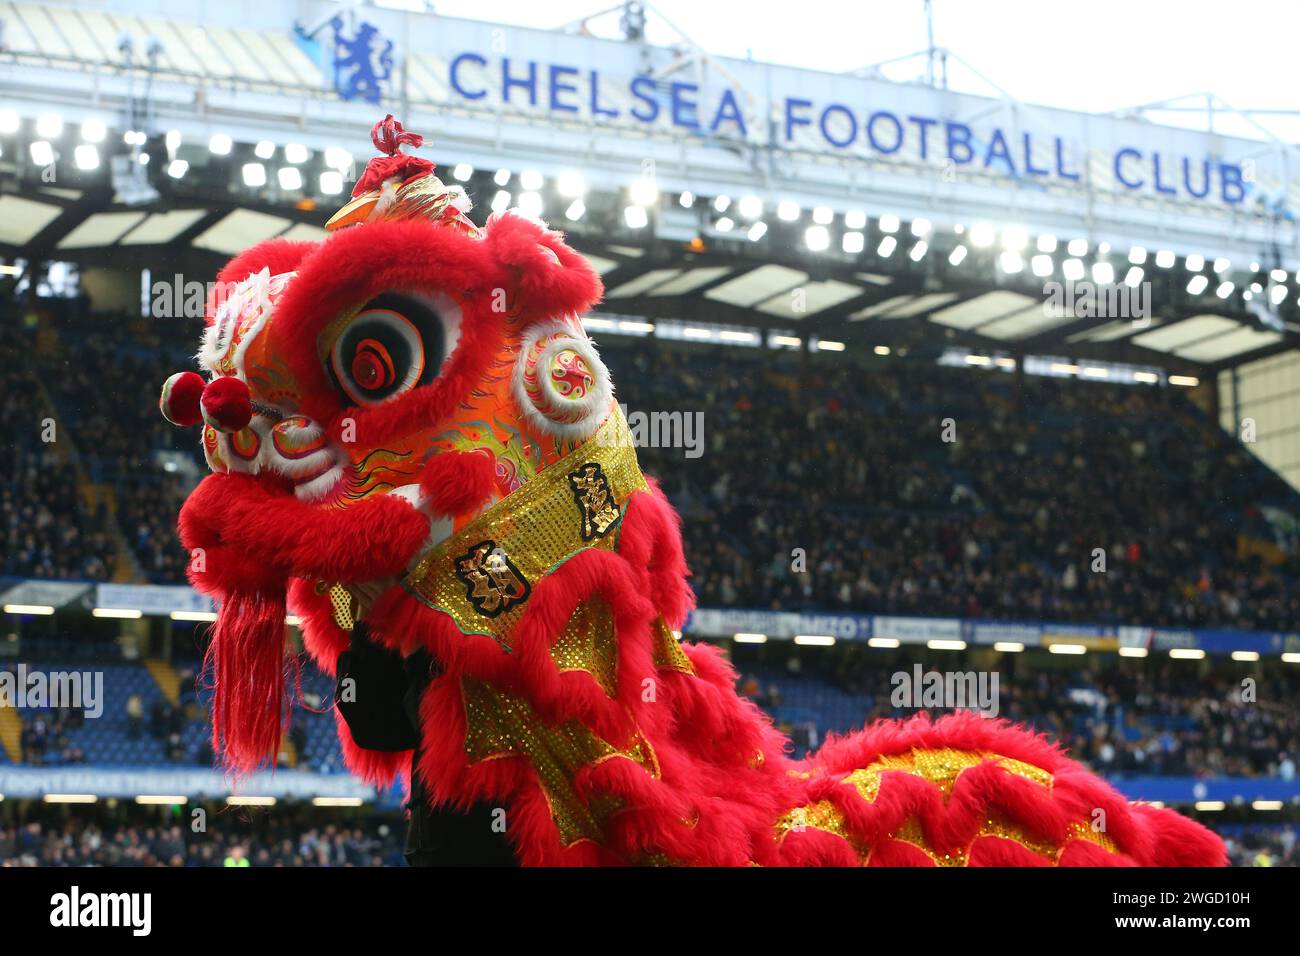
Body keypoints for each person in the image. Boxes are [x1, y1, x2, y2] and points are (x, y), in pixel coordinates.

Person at [337, 578, 517, 867]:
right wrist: (370, 622)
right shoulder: (406, 585)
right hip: (440, 838)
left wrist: (416, 649)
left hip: (514, 834)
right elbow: (378, 729)